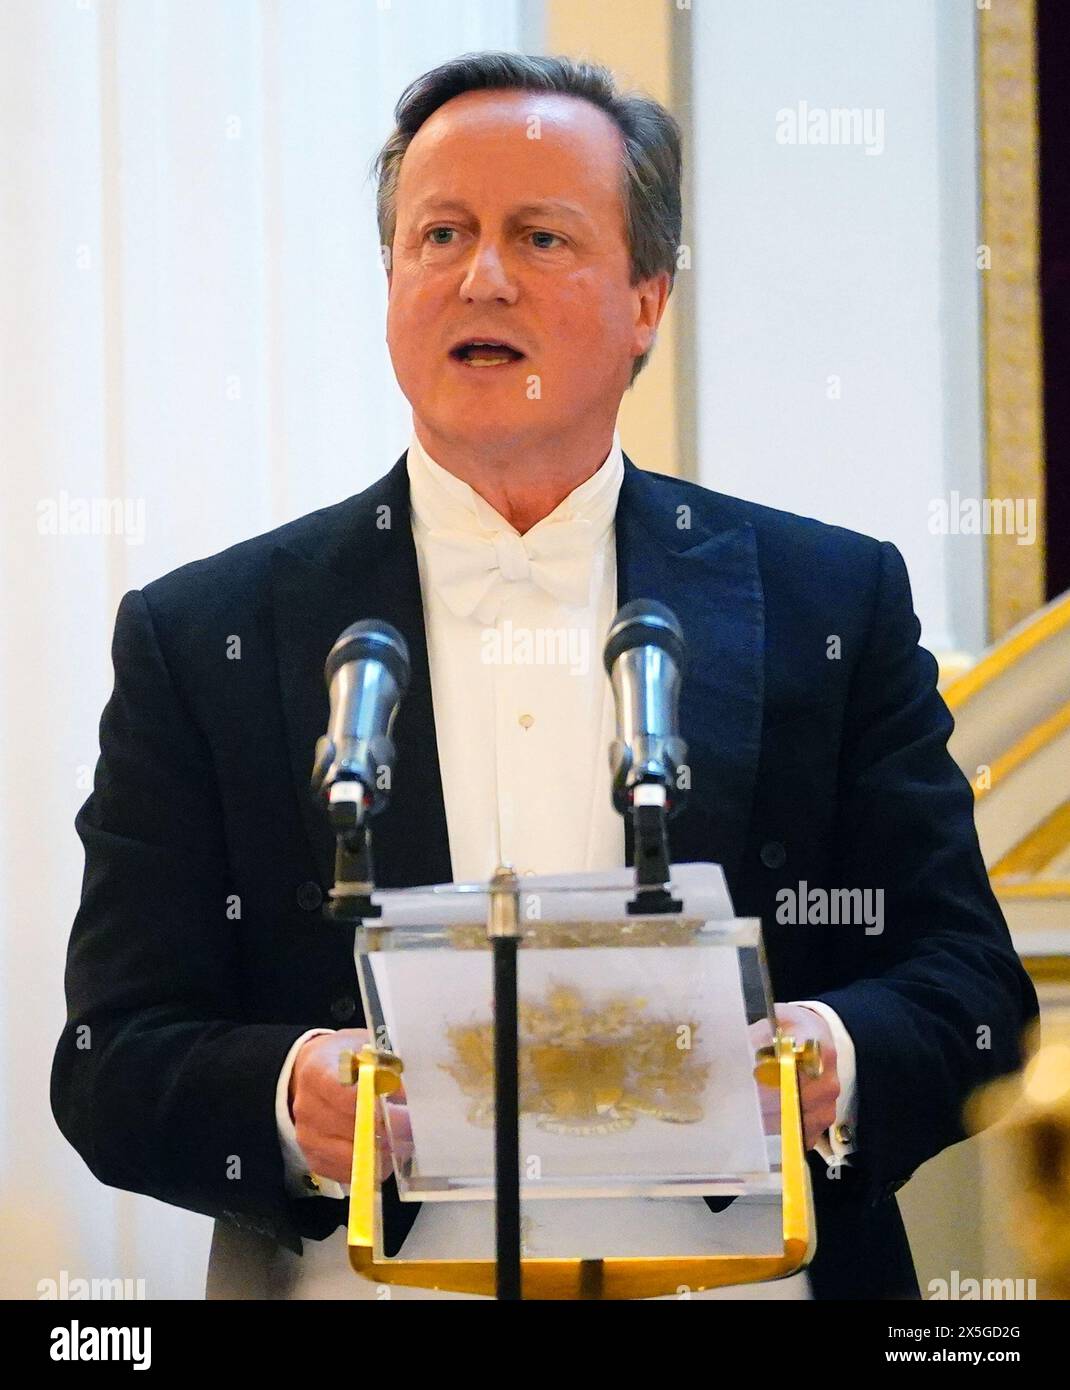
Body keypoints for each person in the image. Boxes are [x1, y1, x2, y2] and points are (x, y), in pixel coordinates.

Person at [52, 52, 1038, 1301]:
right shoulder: (204, 635)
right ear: (391, 282)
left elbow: (971, 992)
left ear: (644, 300)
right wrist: (289, 1094)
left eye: (539, 235)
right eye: (440, 233)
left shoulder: (826, 600)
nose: (479, 274)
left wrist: (825, 1059)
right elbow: (107, 1057)